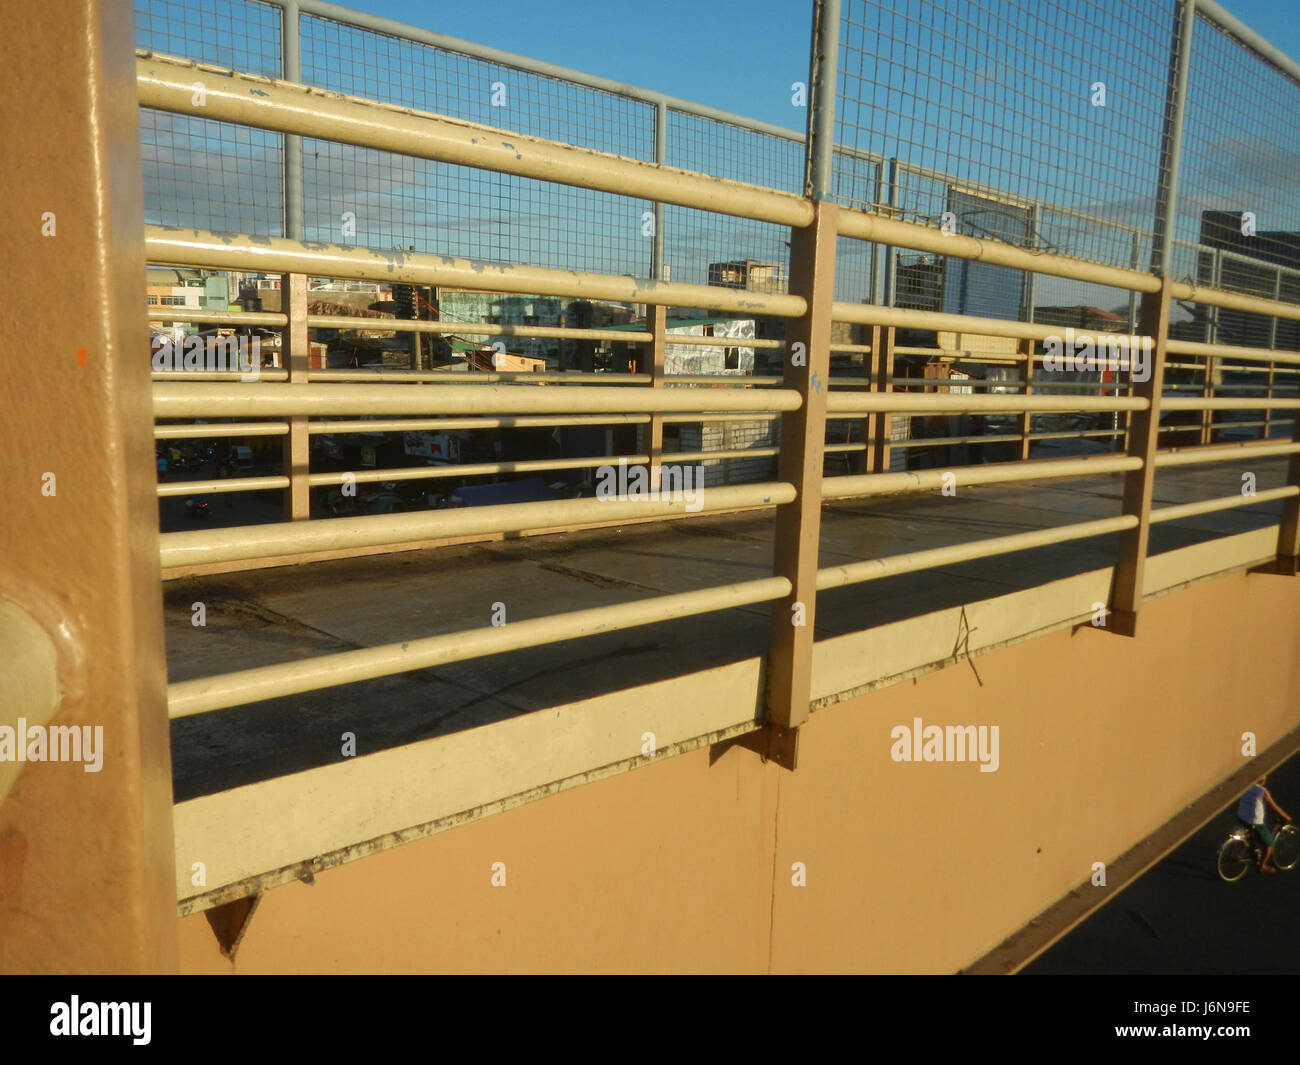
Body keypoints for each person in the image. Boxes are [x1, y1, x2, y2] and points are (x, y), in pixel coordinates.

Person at [1237, 775, 1292, 872]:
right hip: (1254, 821)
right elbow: (1274, 806)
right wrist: (1286, 817)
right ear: (1262, 781)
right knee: (1269, 844)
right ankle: (1262, 866)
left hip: (1241, 816)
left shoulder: (1245, 785)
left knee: (1250, 836)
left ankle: (1251, 850)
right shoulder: (1262, 791)